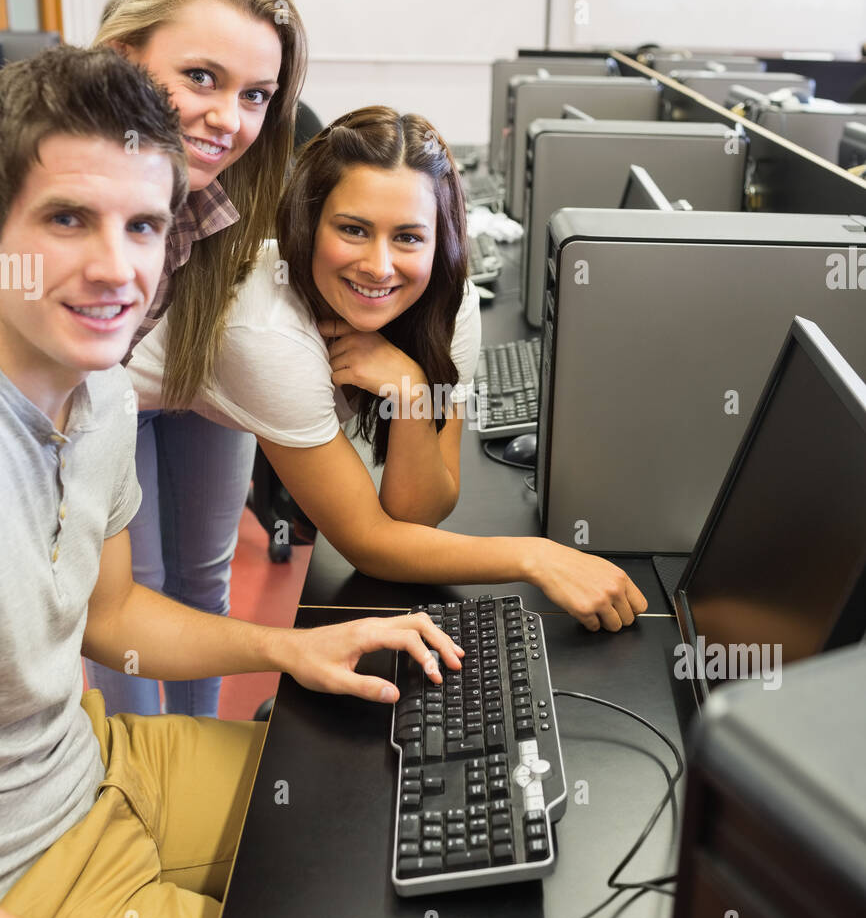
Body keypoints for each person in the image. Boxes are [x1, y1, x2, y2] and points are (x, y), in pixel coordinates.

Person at [0, 46, 460, 918]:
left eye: (142, 226)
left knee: (389, 814)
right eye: (68, 218)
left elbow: (113, 620)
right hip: (23, 884)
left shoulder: (101, 391)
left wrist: (285, 651)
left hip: (99, 764)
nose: (118, 268)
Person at [130, 106, 649, 628]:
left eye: (408, 237)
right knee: (138, 589)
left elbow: (416, 514)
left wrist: (414, 394)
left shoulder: (452, 308)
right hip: (122, 376)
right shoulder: (268, 334)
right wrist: (537, 558)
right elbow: (372, 545)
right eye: (353, 230)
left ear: (439, 239)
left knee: (199, 581)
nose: (379, 267)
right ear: (308, 225)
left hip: (209, 379)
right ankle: (128, 714)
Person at [85, 0, 308, 720]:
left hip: (185, 381)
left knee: (205, 577)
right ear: (123, 57)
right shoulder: (61, 189)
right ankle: (143, 777)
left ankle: (196, 747)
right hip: (101, 396)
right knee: (130, 590)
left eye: (257, 95)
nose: (229, 120)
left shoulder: (228, 188)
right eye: (201, 78)